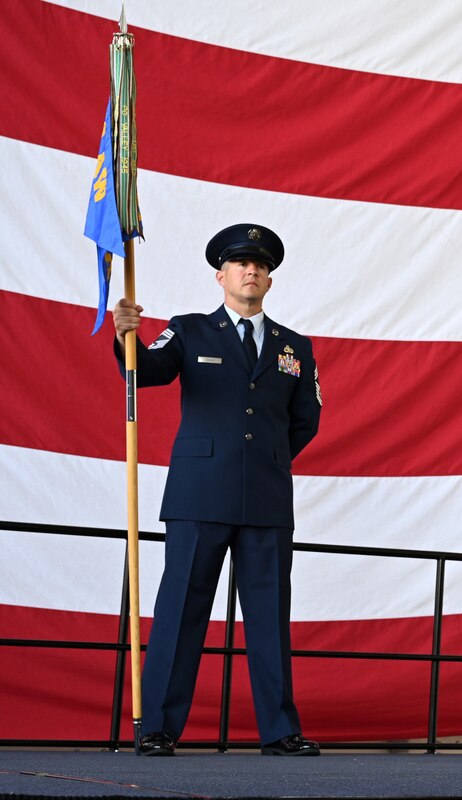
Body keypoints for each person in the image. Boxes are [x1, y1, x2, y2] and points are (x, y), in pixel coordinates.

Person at [111, 224, 323, 756]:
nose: (252, 270)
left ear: (269, 280)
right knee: (182, 610)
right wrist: (126, 337)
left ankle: (280, 730)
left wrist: (266, 461)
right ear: (219, 275)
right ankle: (156, 726)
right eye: (241, 263)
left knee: (270, 618)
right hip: (199, 494)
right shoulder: (188, 330)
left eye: (261, 265)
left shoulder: (294, 346)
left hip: (267, 498)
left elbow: (306, 420)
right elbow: (150, 371)